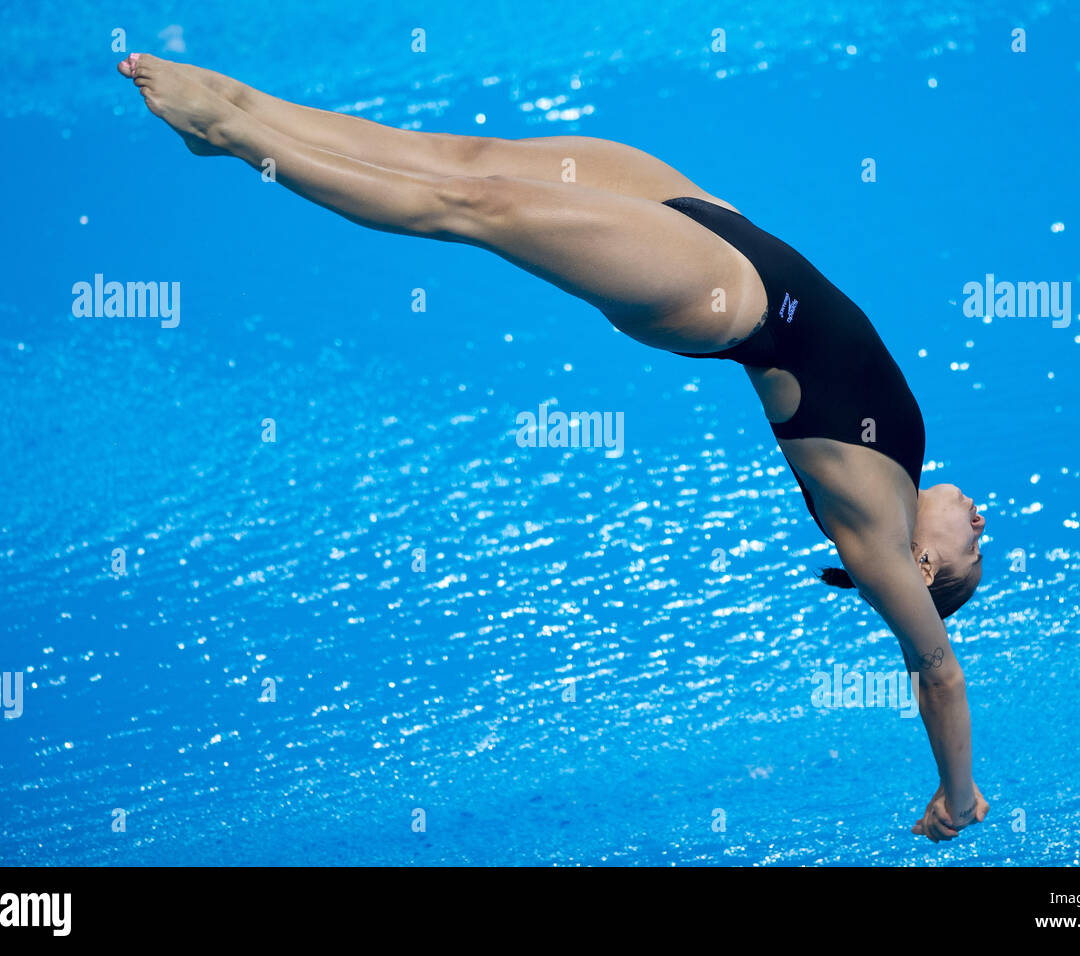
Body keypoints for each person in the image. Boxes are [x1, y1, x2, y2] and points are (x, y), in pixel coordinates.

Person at [117, 53, 989, 841]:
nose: (981, 521)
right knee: (465, 157)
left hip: (721, 295)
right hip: (718, 225)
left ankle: (231, 135)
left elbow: (937, 671)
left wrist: (957, 795)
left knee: (473, 208)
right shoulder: (902, 473)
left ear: (921, 566)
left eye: (972, 550)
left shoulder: (873, 538)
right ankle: (246, 105)